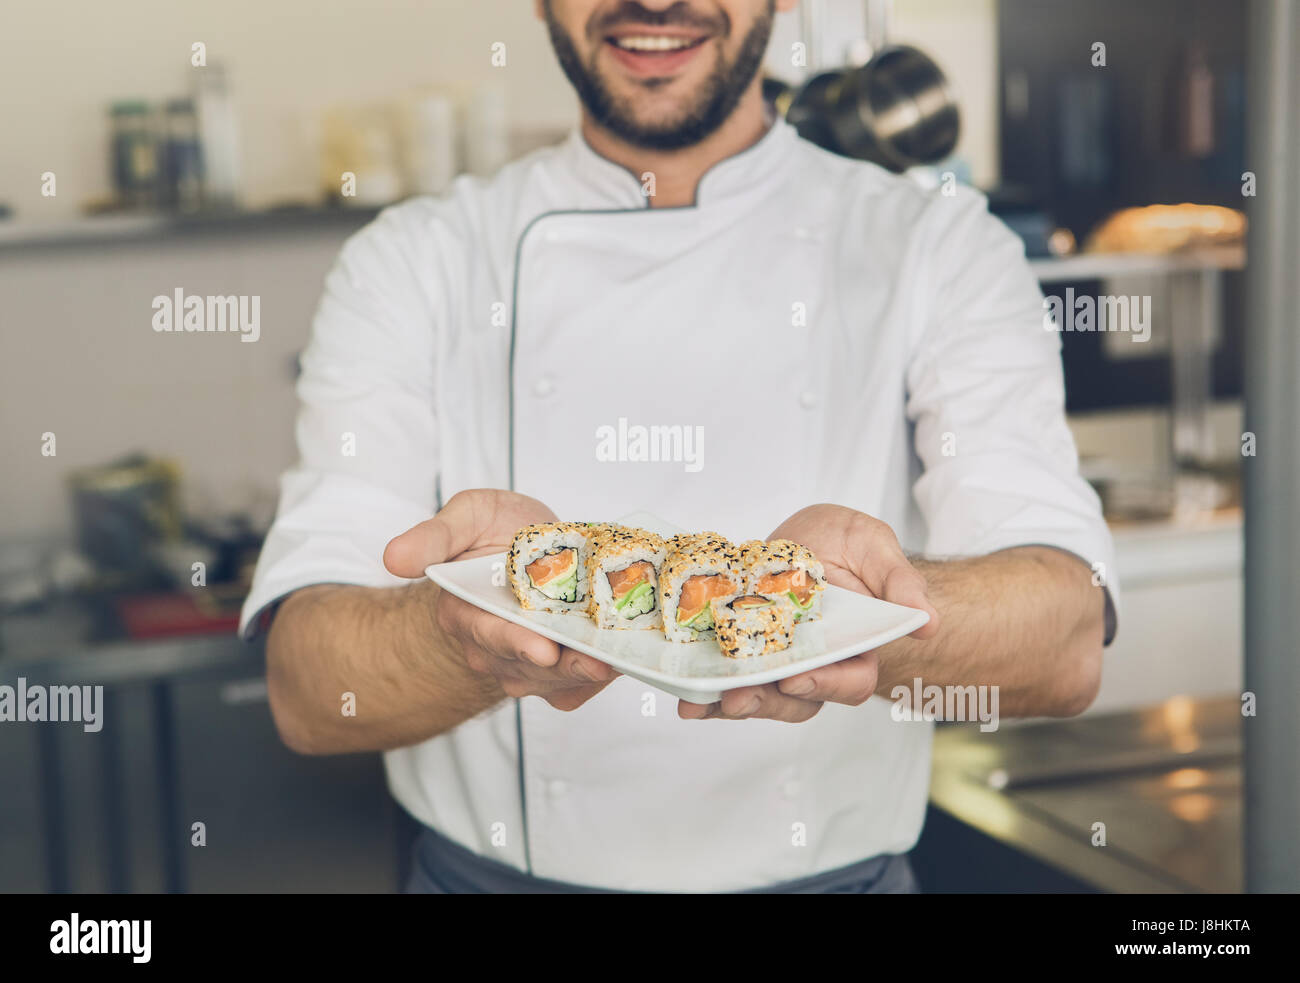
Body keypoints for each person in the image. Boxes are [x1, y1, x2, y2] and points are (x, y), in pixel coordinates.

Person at [240, 0, 1117, 894]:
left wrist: (835, 615)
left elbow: (1068, 640)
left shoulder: (937, 245)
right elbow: (308, 695)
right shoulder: (413, 260)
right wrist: (459, 623)